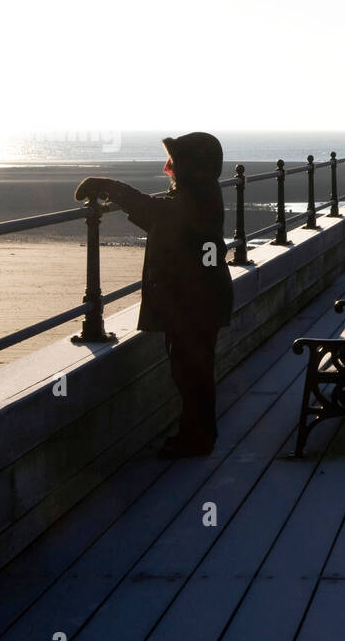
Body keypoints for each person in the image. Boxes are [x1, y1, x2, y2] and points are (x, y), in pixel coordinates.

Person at [75, 132, 234, 457]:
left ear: (191, 167)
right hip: (199, 299)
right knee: (192, 371)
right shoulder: (200, 194)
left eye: (173, 162)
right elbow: (163, 217)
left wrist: (108, 185)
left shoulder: (197, 198)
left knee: (192, 373)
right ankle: (197, 435)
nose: (166, 168)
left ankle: (197, 440)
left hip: (196, 302)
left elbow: (157, 213)